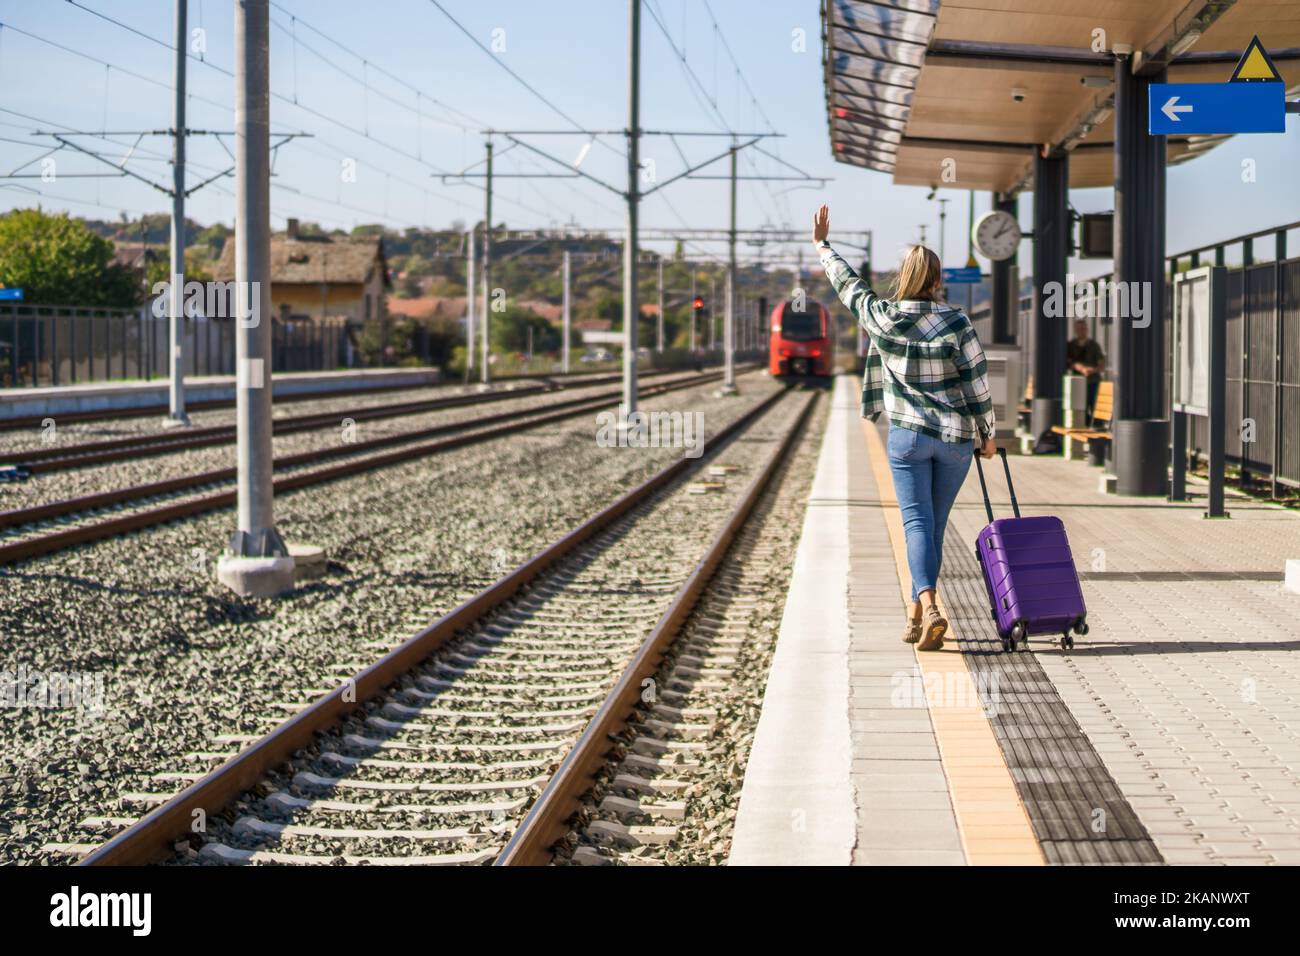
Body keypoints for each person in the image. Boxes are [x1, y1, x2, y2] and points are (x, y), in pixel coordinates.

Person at [813, 205, 996, 651]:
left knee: (917, 523)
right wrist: (987, 434)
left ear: (902, 277)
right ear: (936, 281)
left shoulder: (881, 315)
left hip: (907, 438)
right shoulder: (956, 322)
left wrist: (822, 245)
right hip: (952, 439)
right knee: (933, 526)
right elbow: (977, 382)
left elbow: (847, 285)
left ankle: (925, 609)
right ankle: (921, 610)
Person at [1067, 319, 1106, 420]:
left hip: (1093, 382)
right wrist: (1079, 367)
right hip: (1077, 384)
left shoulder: (1094, 345)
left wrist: (1090, 370)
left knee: (1094, 408)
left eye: (1083, 328)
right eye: (1079, 329)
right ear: (1075, 330)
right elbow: (1068, 363)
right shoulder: (1071, 346)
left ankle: (1095, 428)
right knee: (1079, 411)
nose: (1081, 331)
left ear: (1087, 329)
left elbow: (1101, 365)